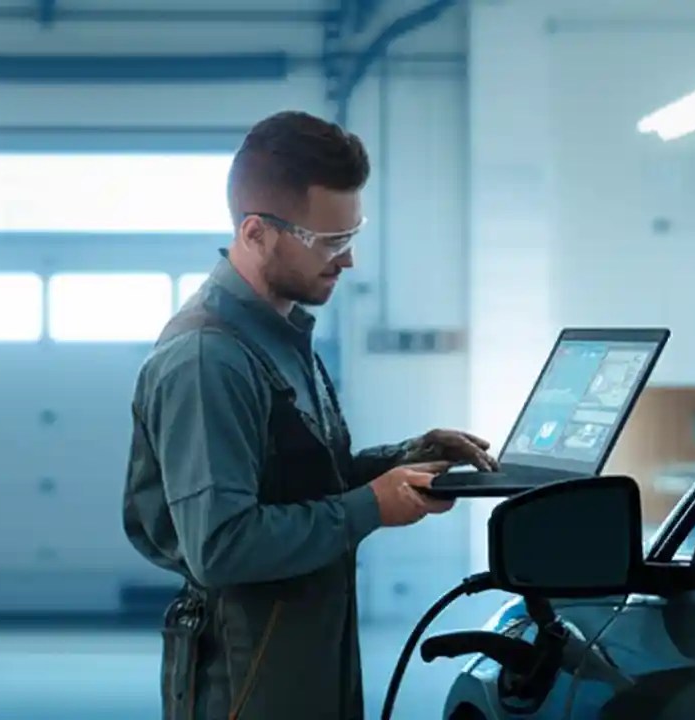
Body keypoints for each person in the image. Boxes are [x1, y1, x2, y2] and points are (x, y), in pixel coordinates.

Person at [122, 110, 498, 720]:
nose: (346, 260)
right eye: (328, 242)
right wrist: (373, 505)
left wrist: (405, 459)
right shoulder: (208, 358)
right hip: (246, 674)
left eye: (352, 235)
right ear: (255, 233)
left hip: (303, 654)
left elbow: (295, 479)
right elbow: (221, 545)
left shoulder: (279, 335)